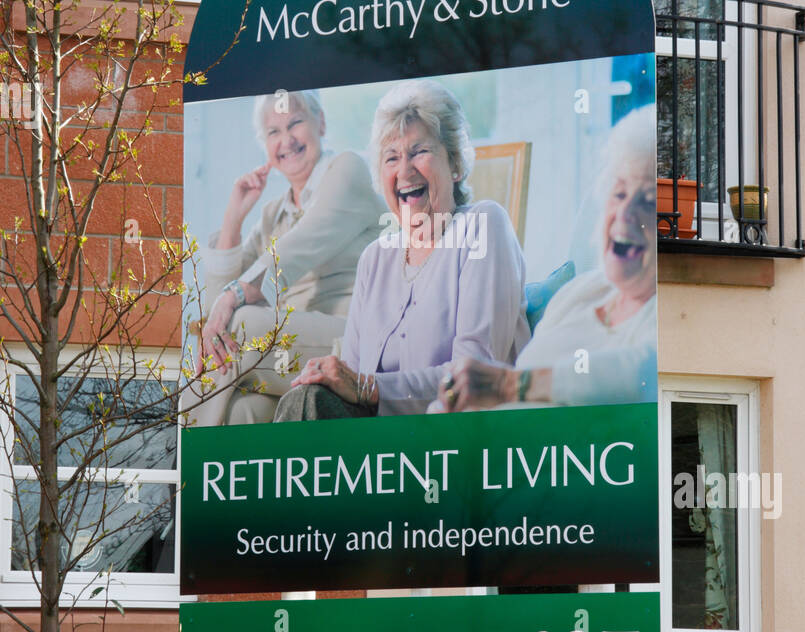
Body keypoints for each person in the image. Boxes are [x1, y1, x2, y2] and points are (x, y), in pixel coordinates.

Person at [277, 79, 529, 420]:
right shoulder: (375, 258)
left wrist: (367, 387)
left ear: (455, 163)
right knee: (305, 395)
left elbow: (474, 375)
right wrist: (330, 378)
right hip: (376, 438)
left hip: (453, 432)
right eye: (391, 158)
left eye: (420, 152)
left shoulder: (482, 226)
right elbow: (350, 377)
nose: (404, 170)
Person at [434, 104, 657, 413]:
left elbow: (642, 375)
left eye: (649, 202)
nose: (625, 212)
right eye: (619, 194)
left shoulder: (668, 312)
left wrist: (508, 384)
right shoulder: (580, 293)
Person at [189, 89, 383, 426]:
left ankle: (184, 456)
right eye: (273, 131)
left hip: (351, 338)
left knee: (242, 326)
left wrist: (231, 297)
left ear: (321, 122)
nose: (286, 140)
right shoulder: (273, 214)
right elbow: (213, 312)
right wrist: (233, 217)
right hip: (295, 352)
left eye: (295, 123)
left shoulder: (347, 169)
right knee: (242, 411)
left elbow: (294, 252)